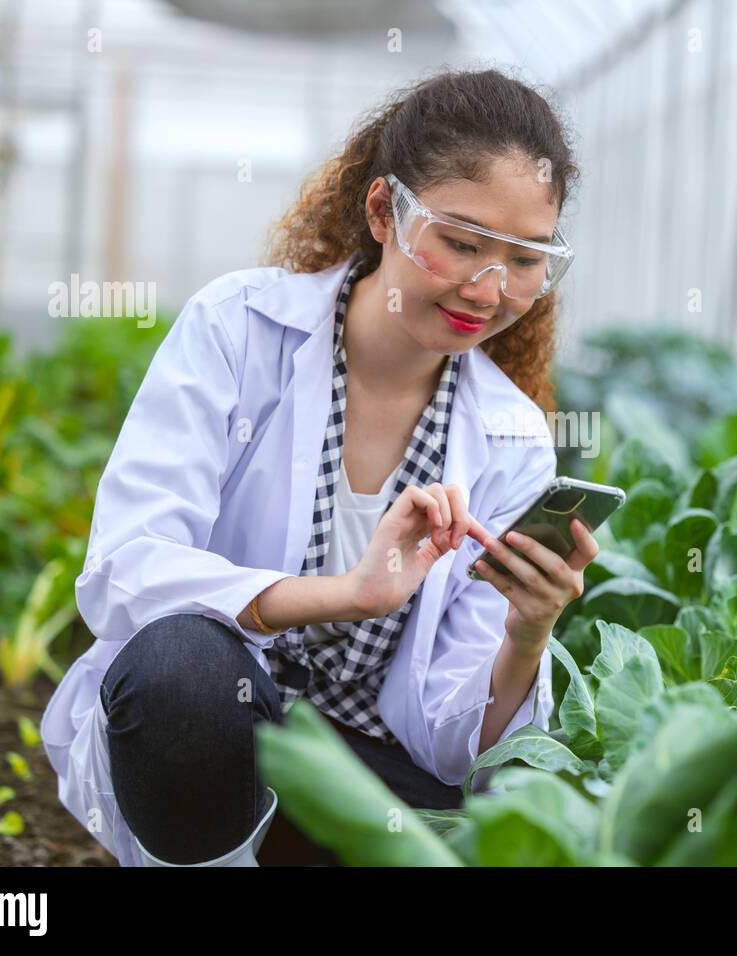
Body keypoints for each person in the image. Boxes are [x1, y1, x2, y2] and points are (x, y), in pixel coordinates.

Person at [39, 67, 599, 866]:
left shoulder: (511, 436)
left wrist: (527, 633)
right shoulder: (238, 331)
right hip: (224, 744)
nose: (490, 288)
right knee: (185, 674)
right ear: (384, 212)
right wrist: (342, 596)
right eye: (463, 244)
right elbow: (126, 573)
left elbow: (450, 749)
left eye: (525, 259)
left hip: (365, 780)